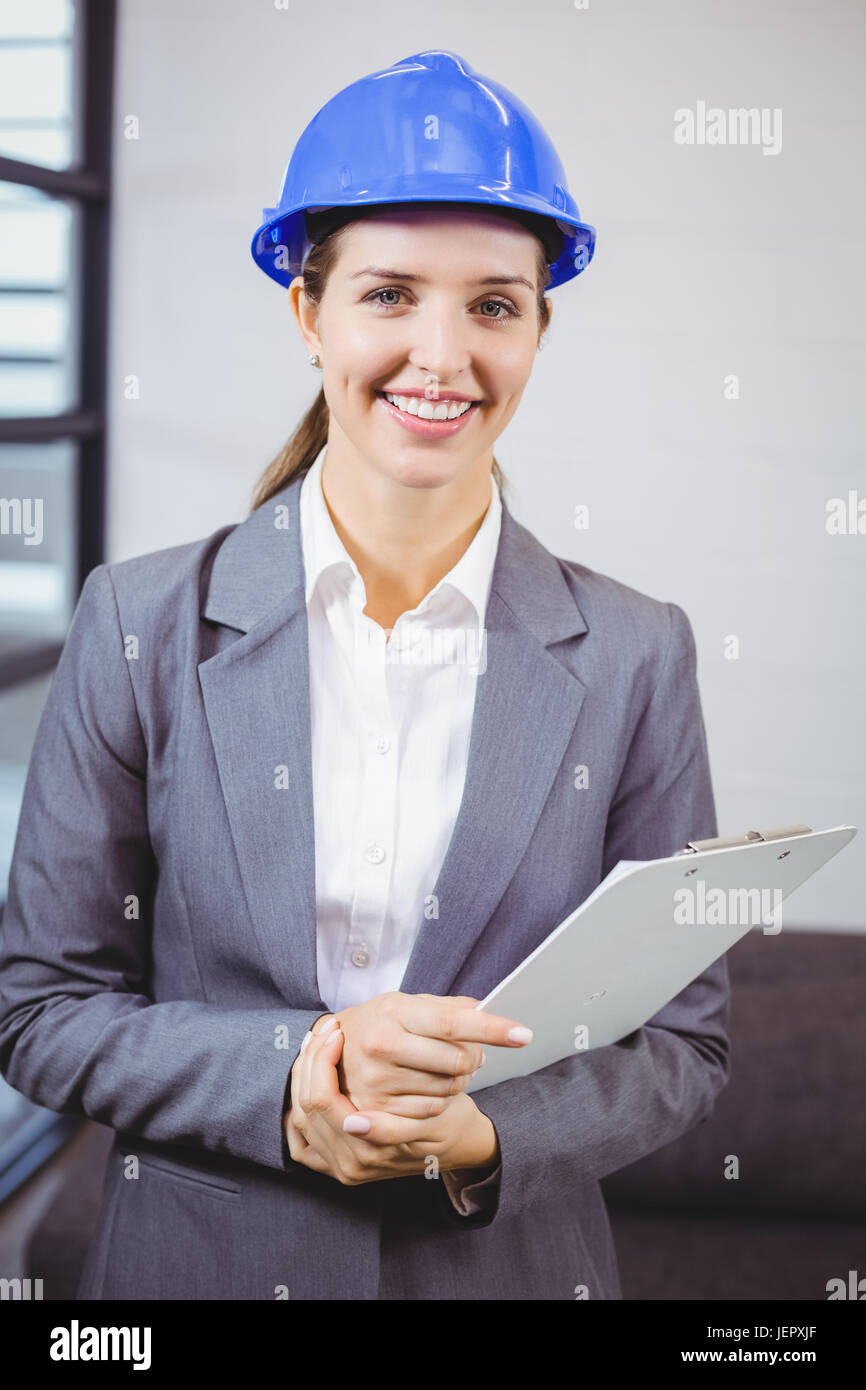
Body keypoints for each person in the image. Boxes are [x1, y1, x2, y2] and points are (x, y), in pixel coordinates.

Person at [0, 50, 730, 1301]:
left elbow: (680, 1041)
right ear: (308, 312)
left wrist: (486, 1136)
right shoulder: (139, 620)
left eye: (493, 305)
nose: (440, 355)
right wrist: (299, 1072)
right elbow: (43, 1008)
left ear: (538, 328)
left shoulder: (633, 650)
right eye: (388, 294)